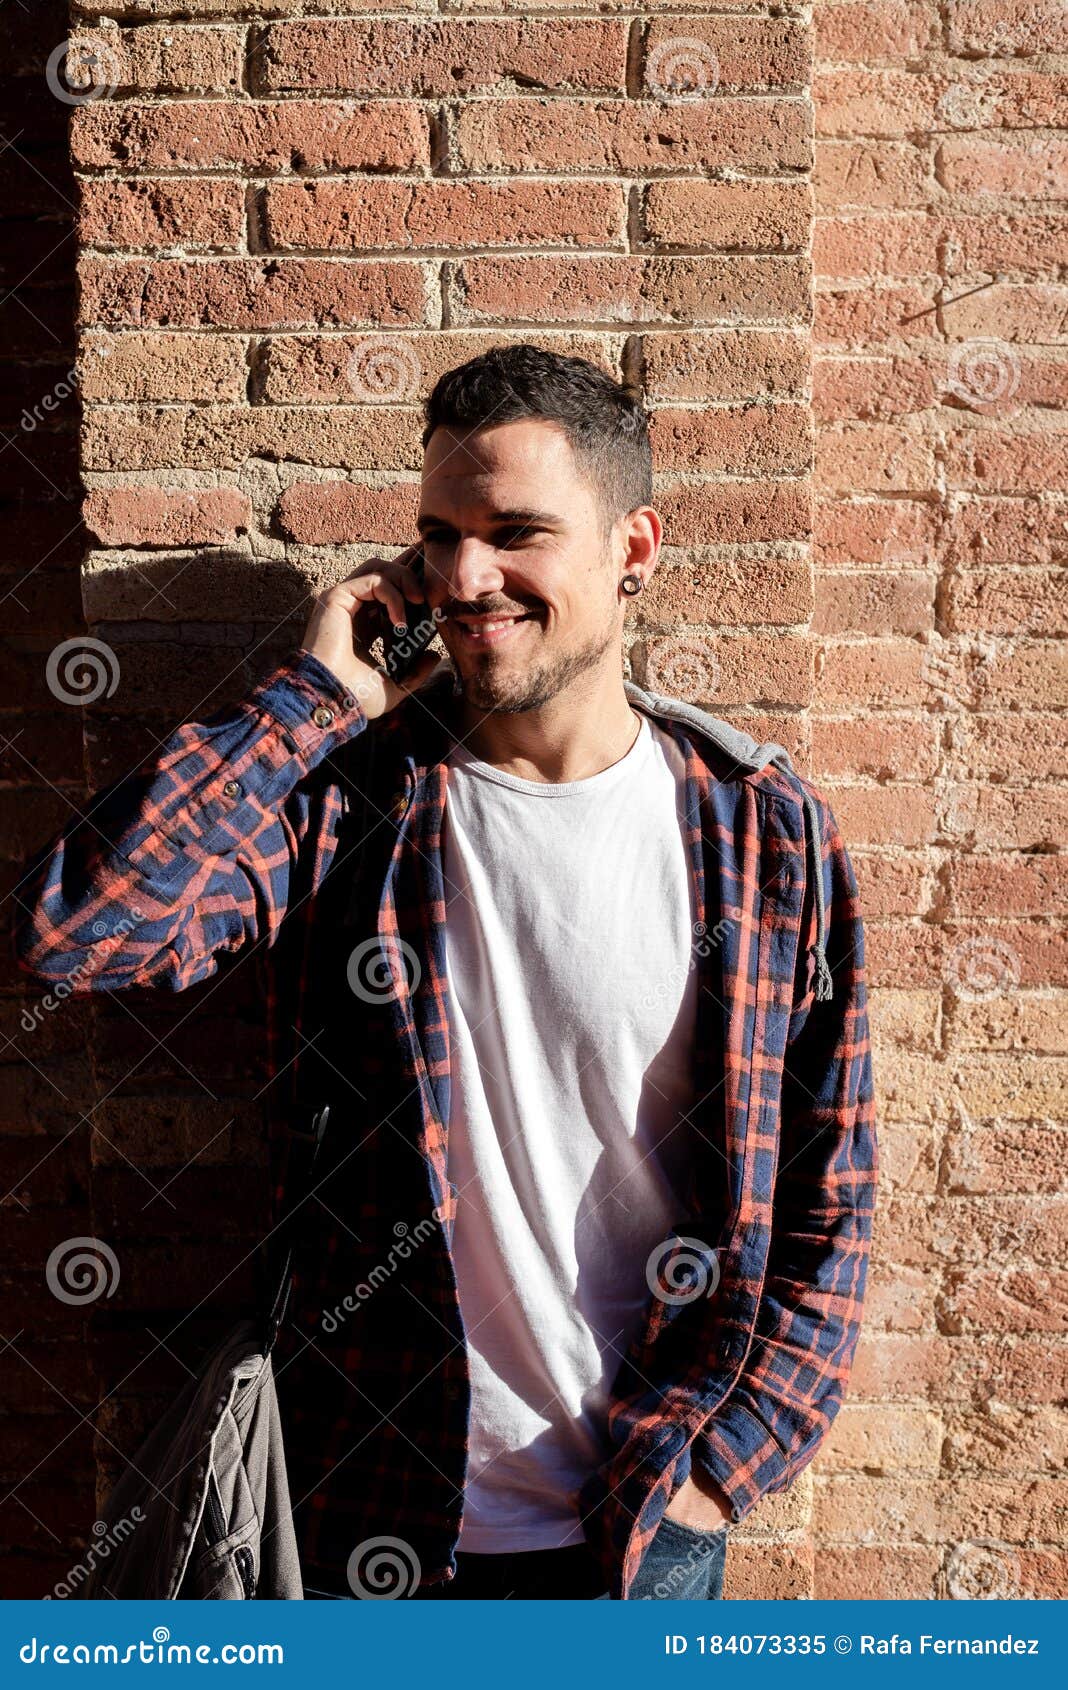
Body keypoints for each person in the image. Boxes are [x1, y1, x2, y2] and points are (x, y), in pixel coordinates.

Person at [16, 343, 877, 1602]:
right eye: (438, 535)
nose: (466, 578)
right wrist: (310, 699)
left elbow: (831, 1190)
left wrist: (719, 1470)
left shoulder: (761, 829)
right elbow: (79, 933)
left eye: (516, 532)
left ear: (634, 550)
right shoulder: (355, 800)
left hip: (640, 1531)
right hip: (364, 1504)